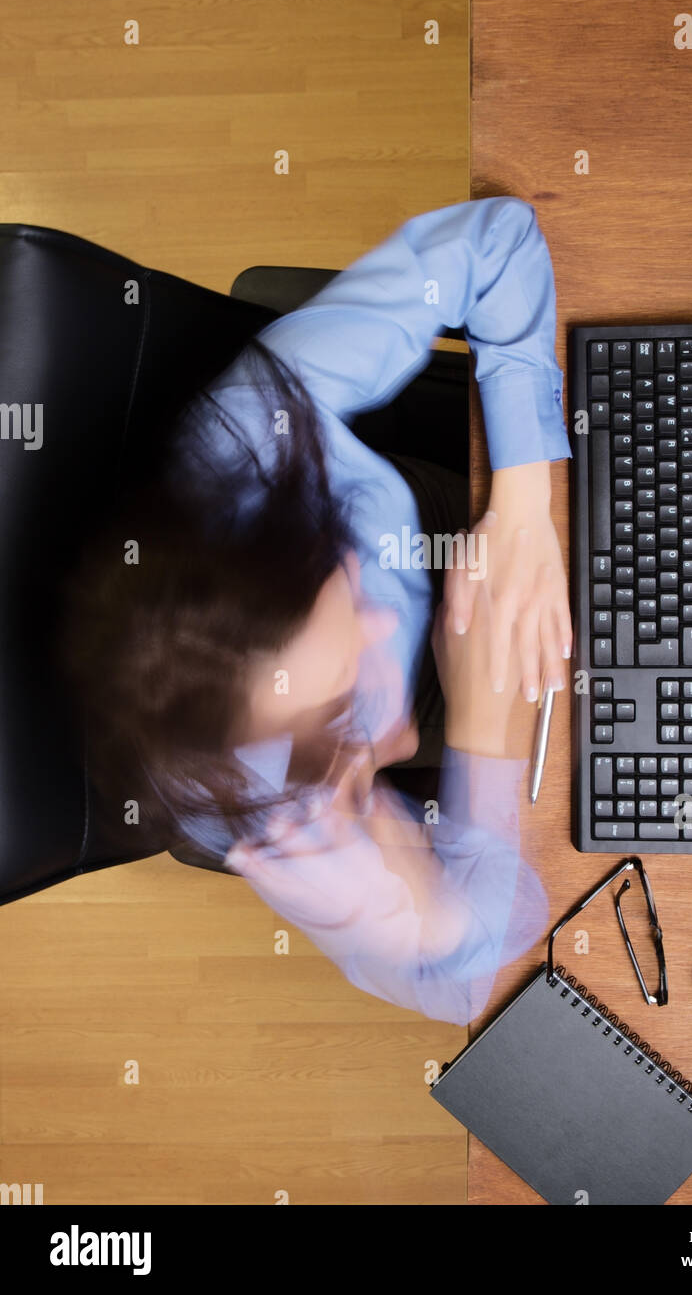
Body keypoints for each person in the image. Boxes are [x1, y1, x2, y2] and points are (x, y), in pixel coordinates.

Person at [60, 196, 573, 1025]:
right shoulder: (255, 809)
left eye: (343, 594)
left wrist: (519, 501)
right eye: (340, 702)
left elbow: (495, 238)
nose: (378, 627)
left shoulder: (251, 432)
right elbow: (463, 983)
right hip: (471, 701)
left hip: (447, 524)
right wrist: (479, 734)